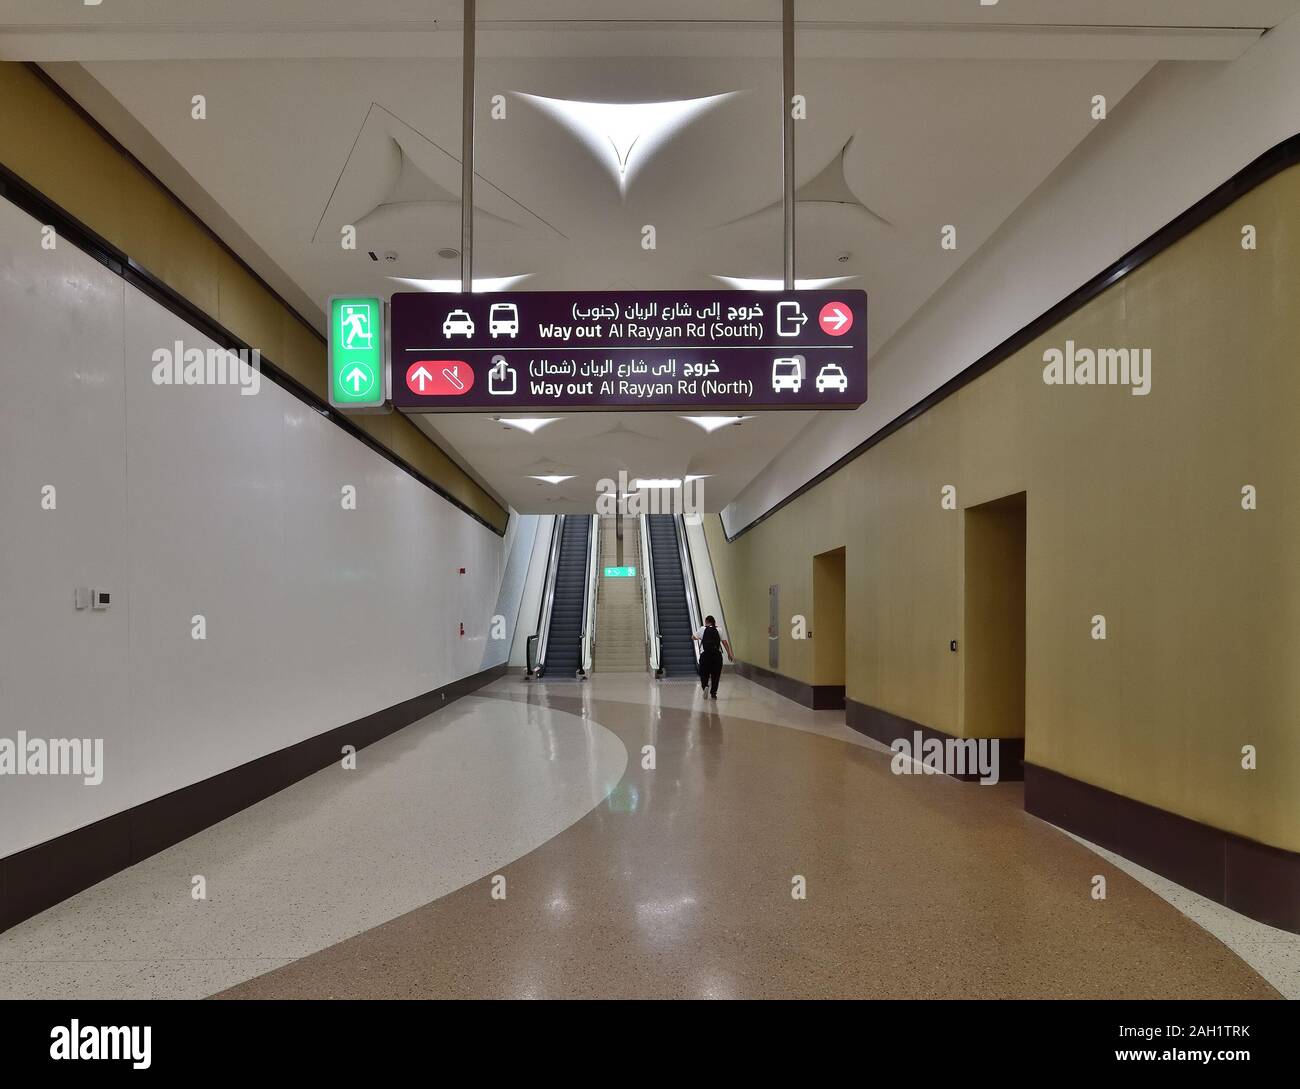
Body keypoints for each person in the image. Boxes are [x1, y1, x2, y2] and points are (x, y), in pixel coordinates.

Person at [692, 615, 733, 699]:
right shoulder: (719, 629)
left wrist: (700, 637)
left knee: (703, 673)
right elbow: (724, 642)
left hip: (705, 655)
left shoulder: (702, 629)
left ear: (706, 622)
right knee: (716, 675)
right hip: (717, 655)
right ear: (714, 622)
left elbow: (693, 637)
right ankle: (713, 693)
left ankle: (705, 686)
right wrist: (729, 653)